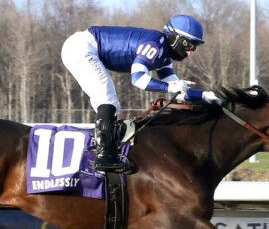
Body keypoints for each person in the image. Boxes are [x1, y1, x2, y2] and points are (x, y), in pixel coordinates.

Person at [61, 14, 220, 172]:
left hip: (81, 46)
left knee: (110, 100)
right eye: (188, 45)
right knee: (106, 96)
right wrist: (171, 87)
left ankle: (107, 149)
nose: (190, 52)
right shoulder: (156, 44)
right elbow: (138, 79)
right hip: (81, 47)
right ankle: (104, 155)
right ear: (175, 38)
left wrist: (205, 96)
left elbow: (178, 91)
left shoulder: (164, 56)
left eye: (194, 47)